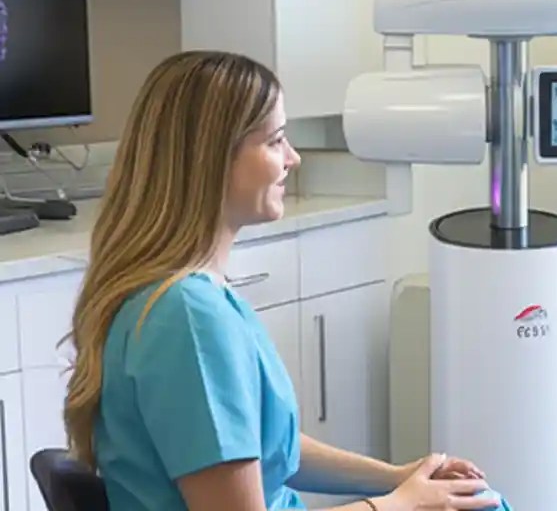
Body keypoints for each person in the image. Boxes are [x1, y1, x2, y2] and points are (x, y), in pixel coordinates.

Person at [61, 50, 509, 511]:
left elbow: (264, 448)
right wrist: (399, 505)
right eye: (275, 141)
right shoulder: (188, 319)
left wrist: (397, 478)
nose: (292, 158)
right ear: (213, 158)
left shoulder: (185, 297)